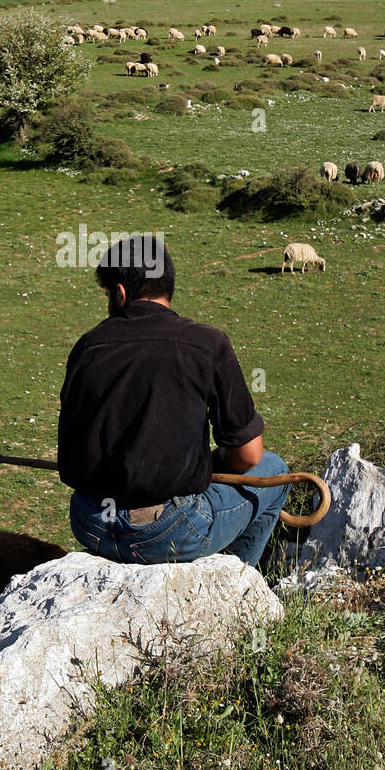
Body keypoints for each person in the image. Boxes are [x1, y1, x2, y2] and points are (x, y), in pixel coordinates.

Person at [57, 235, 290, 567]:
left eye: (108, 294)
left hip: (91, 522)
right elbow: (248, 455)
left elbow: (72, 455)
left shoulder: (87, 347)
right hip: (167, 531)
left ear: (120, 293)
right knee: (275, 469)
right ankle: (237, 580)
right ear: (167, 286)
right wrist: (205, 464)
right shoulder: (207, 344)